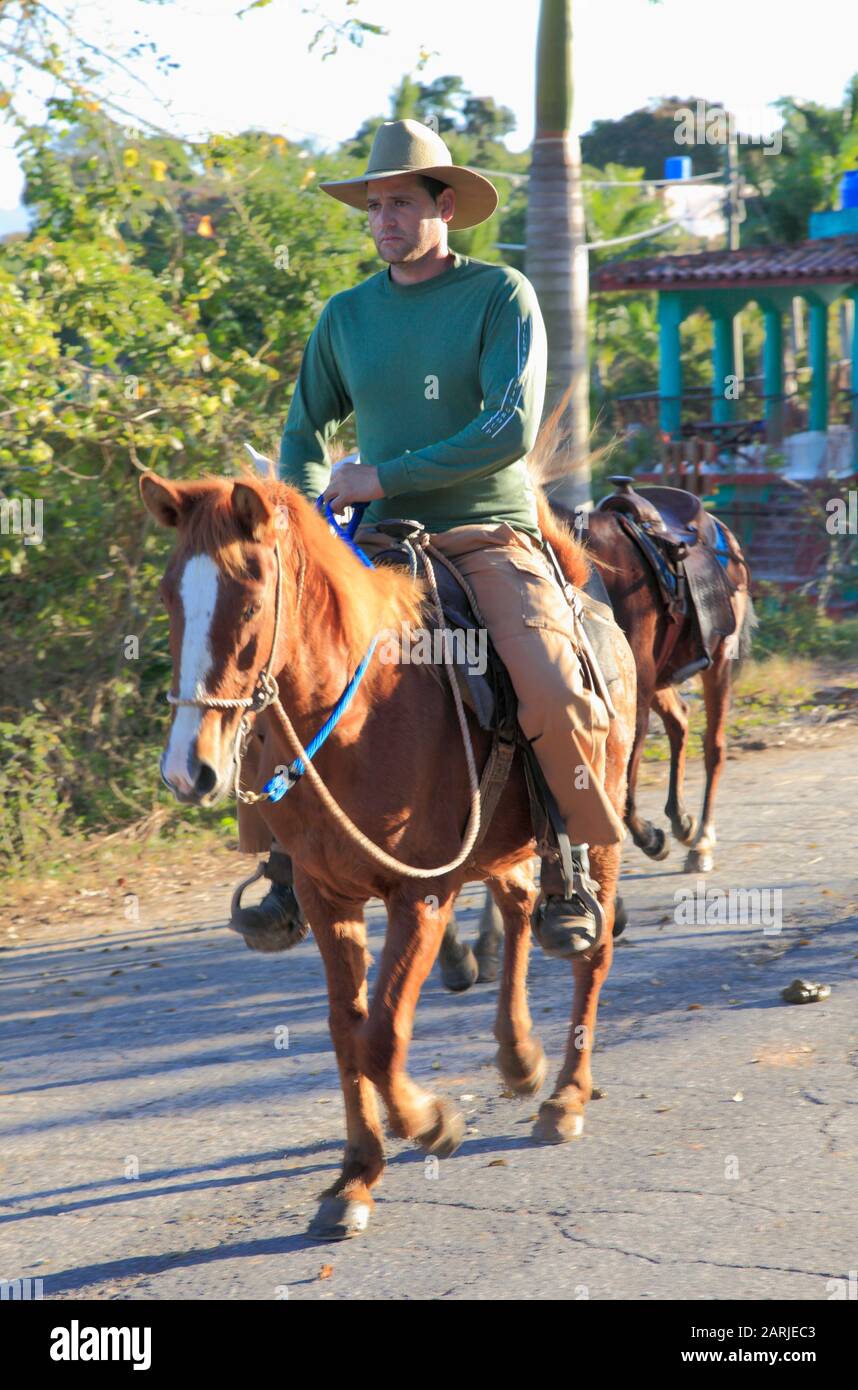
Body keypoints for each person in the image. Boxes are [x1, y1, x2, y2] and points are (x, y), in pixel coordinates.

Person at [232, 118, 623, 958]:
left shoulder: (500, 295)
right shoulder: (346, 317)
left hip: (487, 535)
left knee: (551, 686)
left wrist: (383, 475)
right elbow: (303, 436)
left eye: (402, 203)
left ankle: (567, 865)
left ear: (446, 205)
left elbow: (508, 428)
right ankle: (279, 862)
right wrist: (304, 522)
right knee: (262, 665)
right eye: (374, 207)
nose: (385, 221)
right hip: (371, 547)